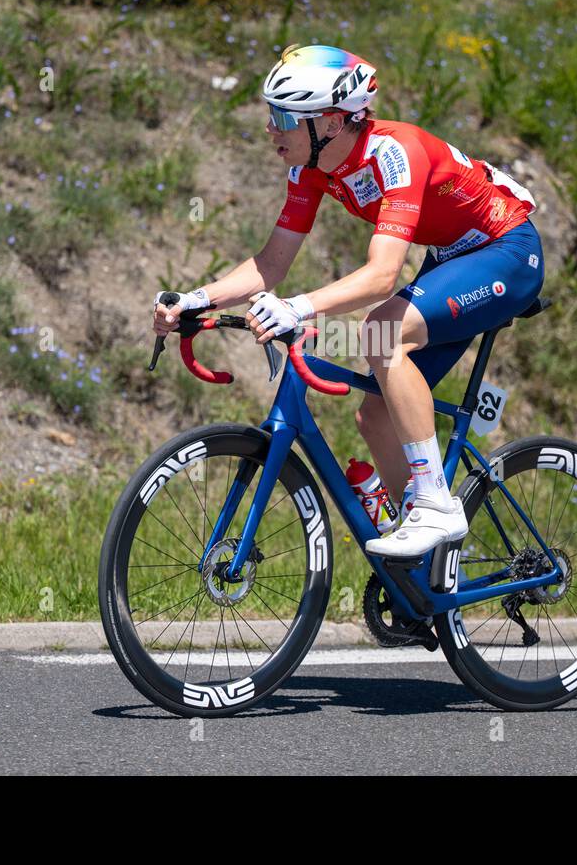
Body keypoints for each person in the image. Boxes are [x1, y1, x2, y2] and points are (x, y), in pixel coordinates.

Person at [152, 44, 544, 558]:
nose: (271, 128)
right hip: (452, 257)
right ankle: (426, 570)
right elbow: (270, 265)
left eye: (283, 116)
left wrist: (299, 307)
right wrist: (195, 299)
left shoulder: (394, 153)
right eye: (270, 113)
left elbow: (383, 275)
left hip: (507, 251)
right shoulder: (309, 167)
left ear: (333, 123)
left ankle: (435, 505)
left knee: (382, 331)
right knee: (376, 417)